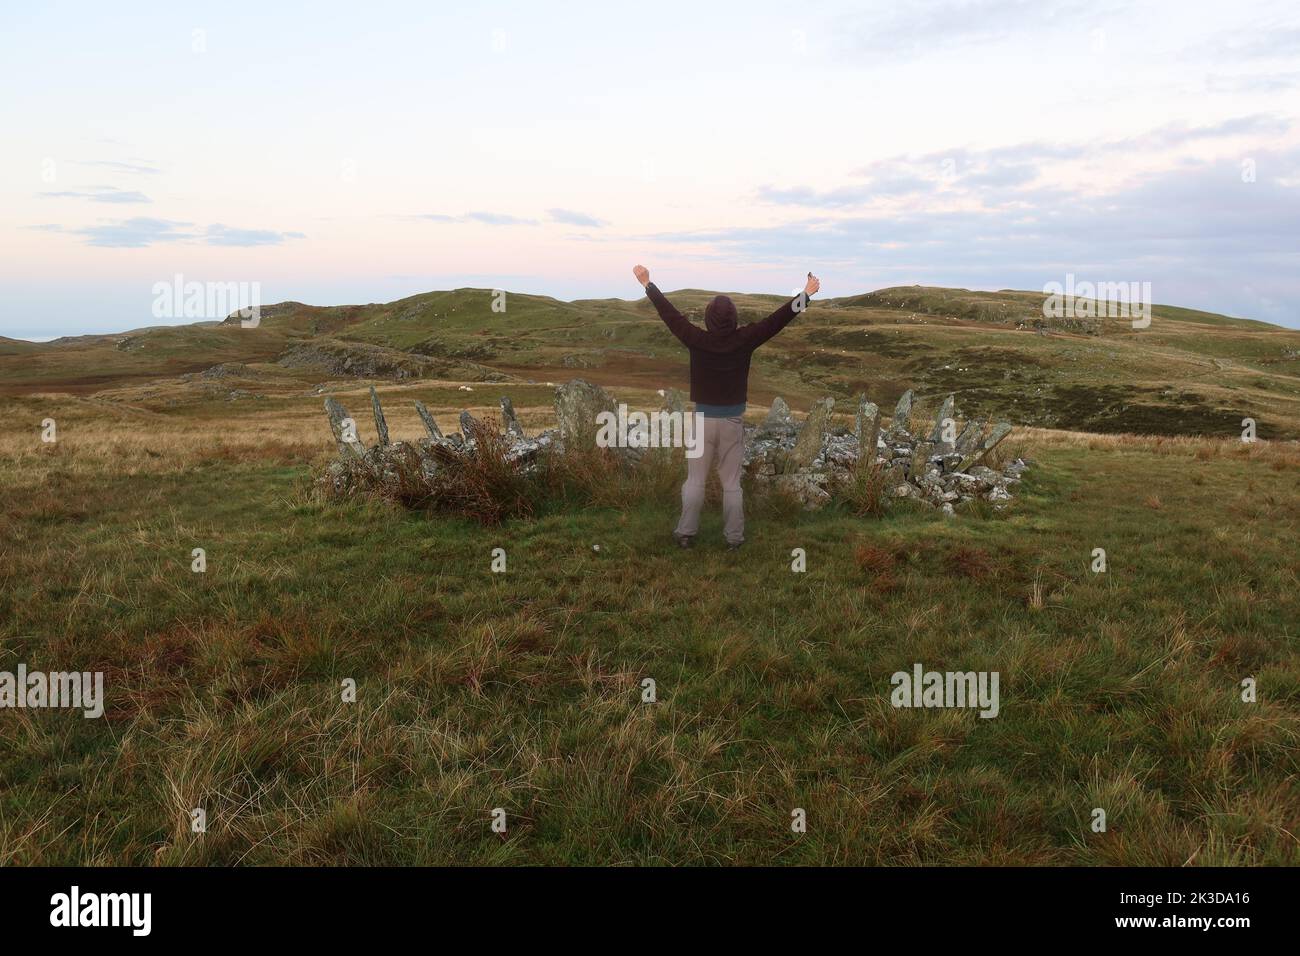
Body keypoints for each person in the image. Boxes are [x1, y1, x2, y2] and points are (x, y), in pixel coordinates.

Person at [632, 265, 820, 549]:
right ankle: (734, 539)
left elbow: (670, 315)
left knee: (695, 480)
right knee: (731, 483)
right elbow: (776, 320)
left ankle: (686, 533)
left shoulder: (697, 340)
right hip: (732, 422)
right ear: (733, 319)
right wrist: (805, 295)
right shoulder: (744, 339)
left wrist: (648, 284)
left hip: (702, 422)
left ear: (708, 319)